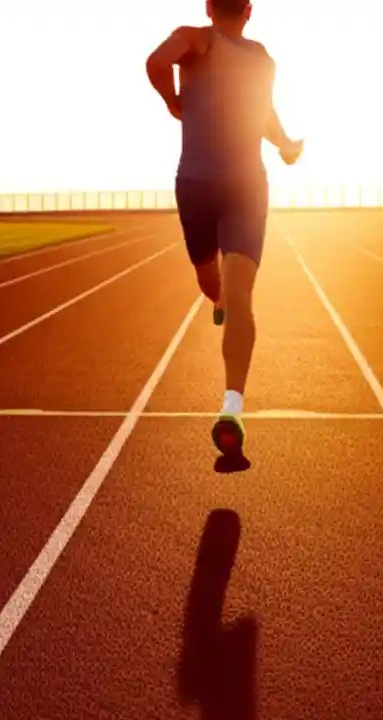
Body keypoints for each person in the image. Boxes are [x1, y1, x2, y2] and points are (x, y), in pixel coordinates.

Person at [145, 0, 303, 458]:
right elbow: (156, 63)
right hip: (196, 187)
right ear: (244, 10)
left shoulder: (259, 58)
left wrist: (283, 142)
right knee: (212, 284)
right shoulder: (197, 38)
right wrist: (173, 99)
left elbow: (263, 112)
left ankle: (232, 407)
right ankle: (217, 300)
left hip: (244, 188)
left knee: (240, 297)